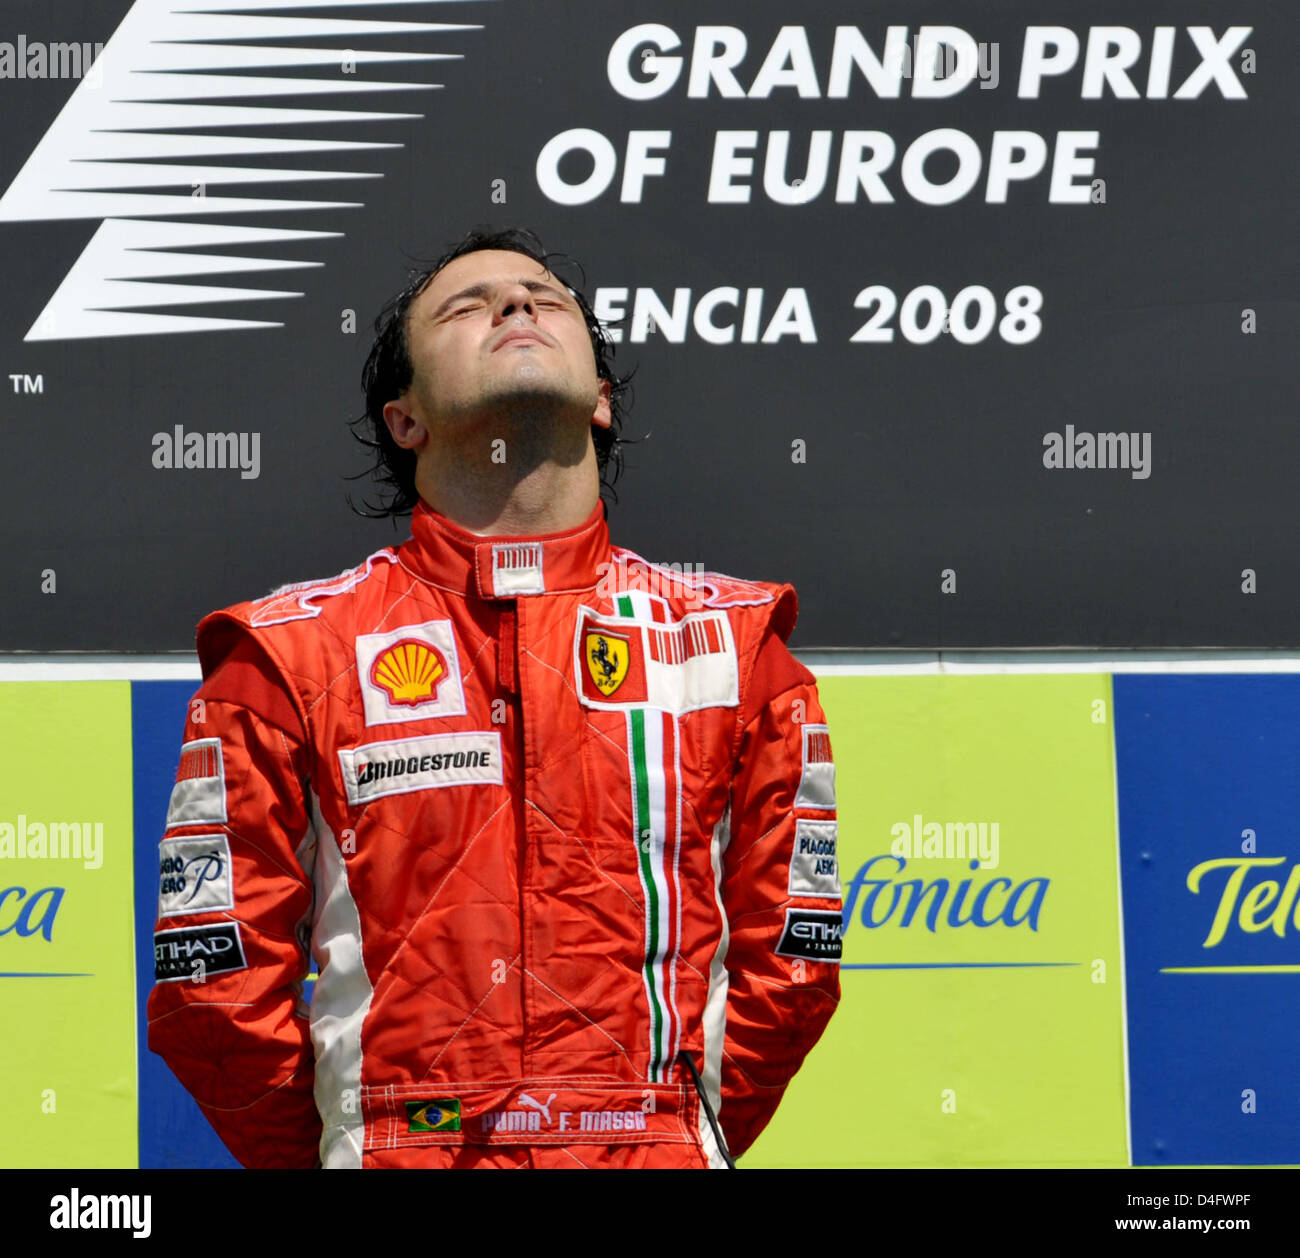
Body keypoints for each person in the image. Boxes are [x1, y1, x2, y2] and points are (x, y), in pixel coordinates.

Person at [147, 226, 843, 1169]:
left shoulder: (738, 644)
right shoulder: (285, 656)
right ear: (405, 419)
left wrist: (671, 1136)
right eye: (465, 306)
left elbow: (796, 963)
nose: (516, 306)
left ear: (600, 399)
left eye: (544, 297)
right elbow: (211, 984)